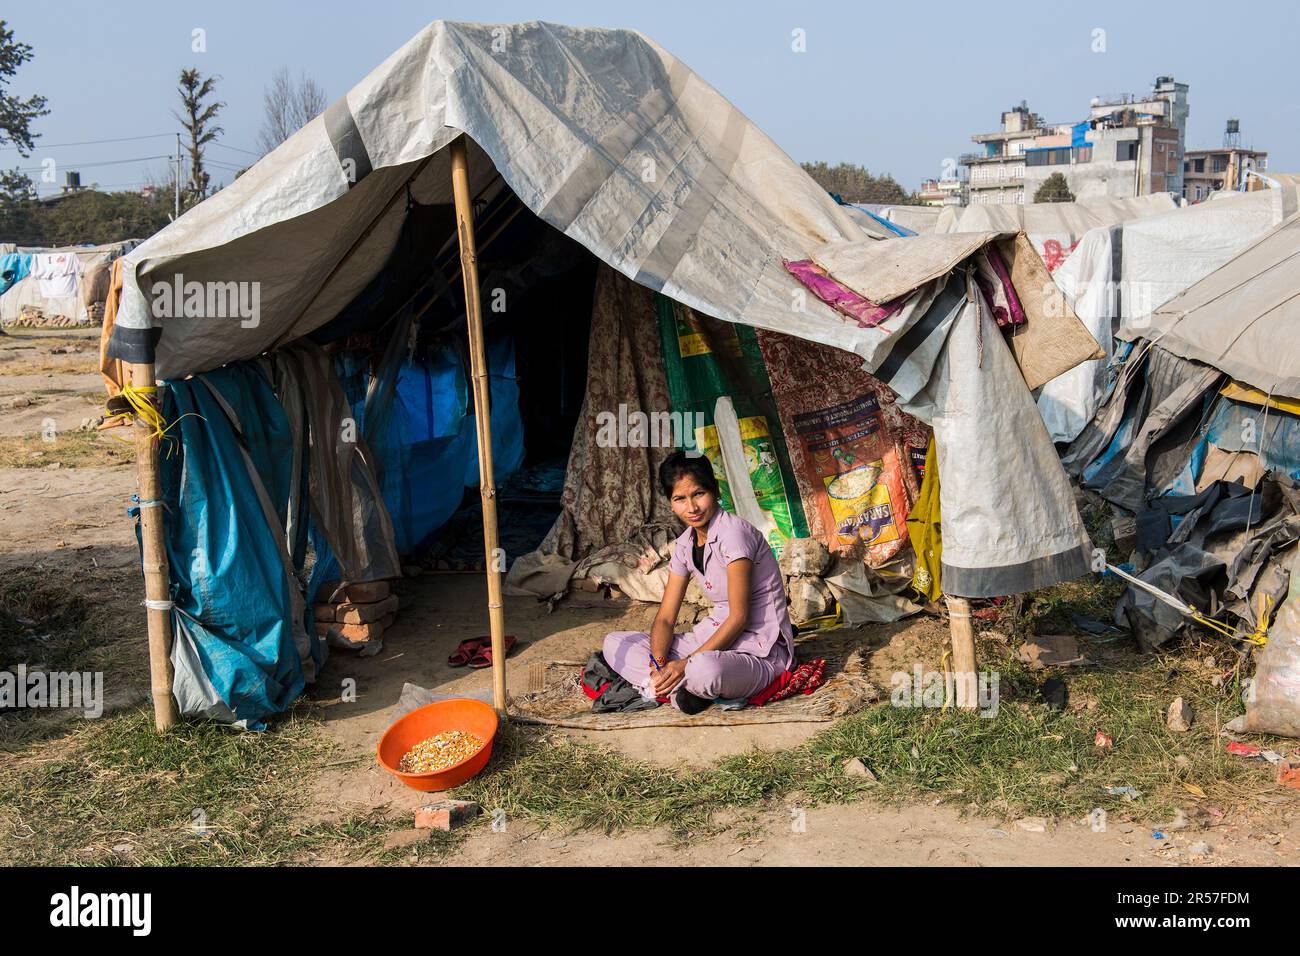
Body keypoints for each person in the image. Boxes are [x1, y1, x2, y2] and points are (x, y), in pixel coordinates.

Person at [602, 450, 795, 714]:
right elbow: (666, 618)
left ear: (715, 491)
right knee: (614, 643)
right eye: (680, 498)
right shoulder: (684, 544)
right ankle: (681, 690)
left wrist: (683, 664)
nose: (691, 508)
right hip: (711, 638)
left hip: (756, 649)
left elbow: (738, 617)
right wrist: (658, 662)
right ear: (670, 503)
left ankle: (678, 687)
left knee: (705, 670)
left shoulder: (734, 534)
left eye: (698, 494)